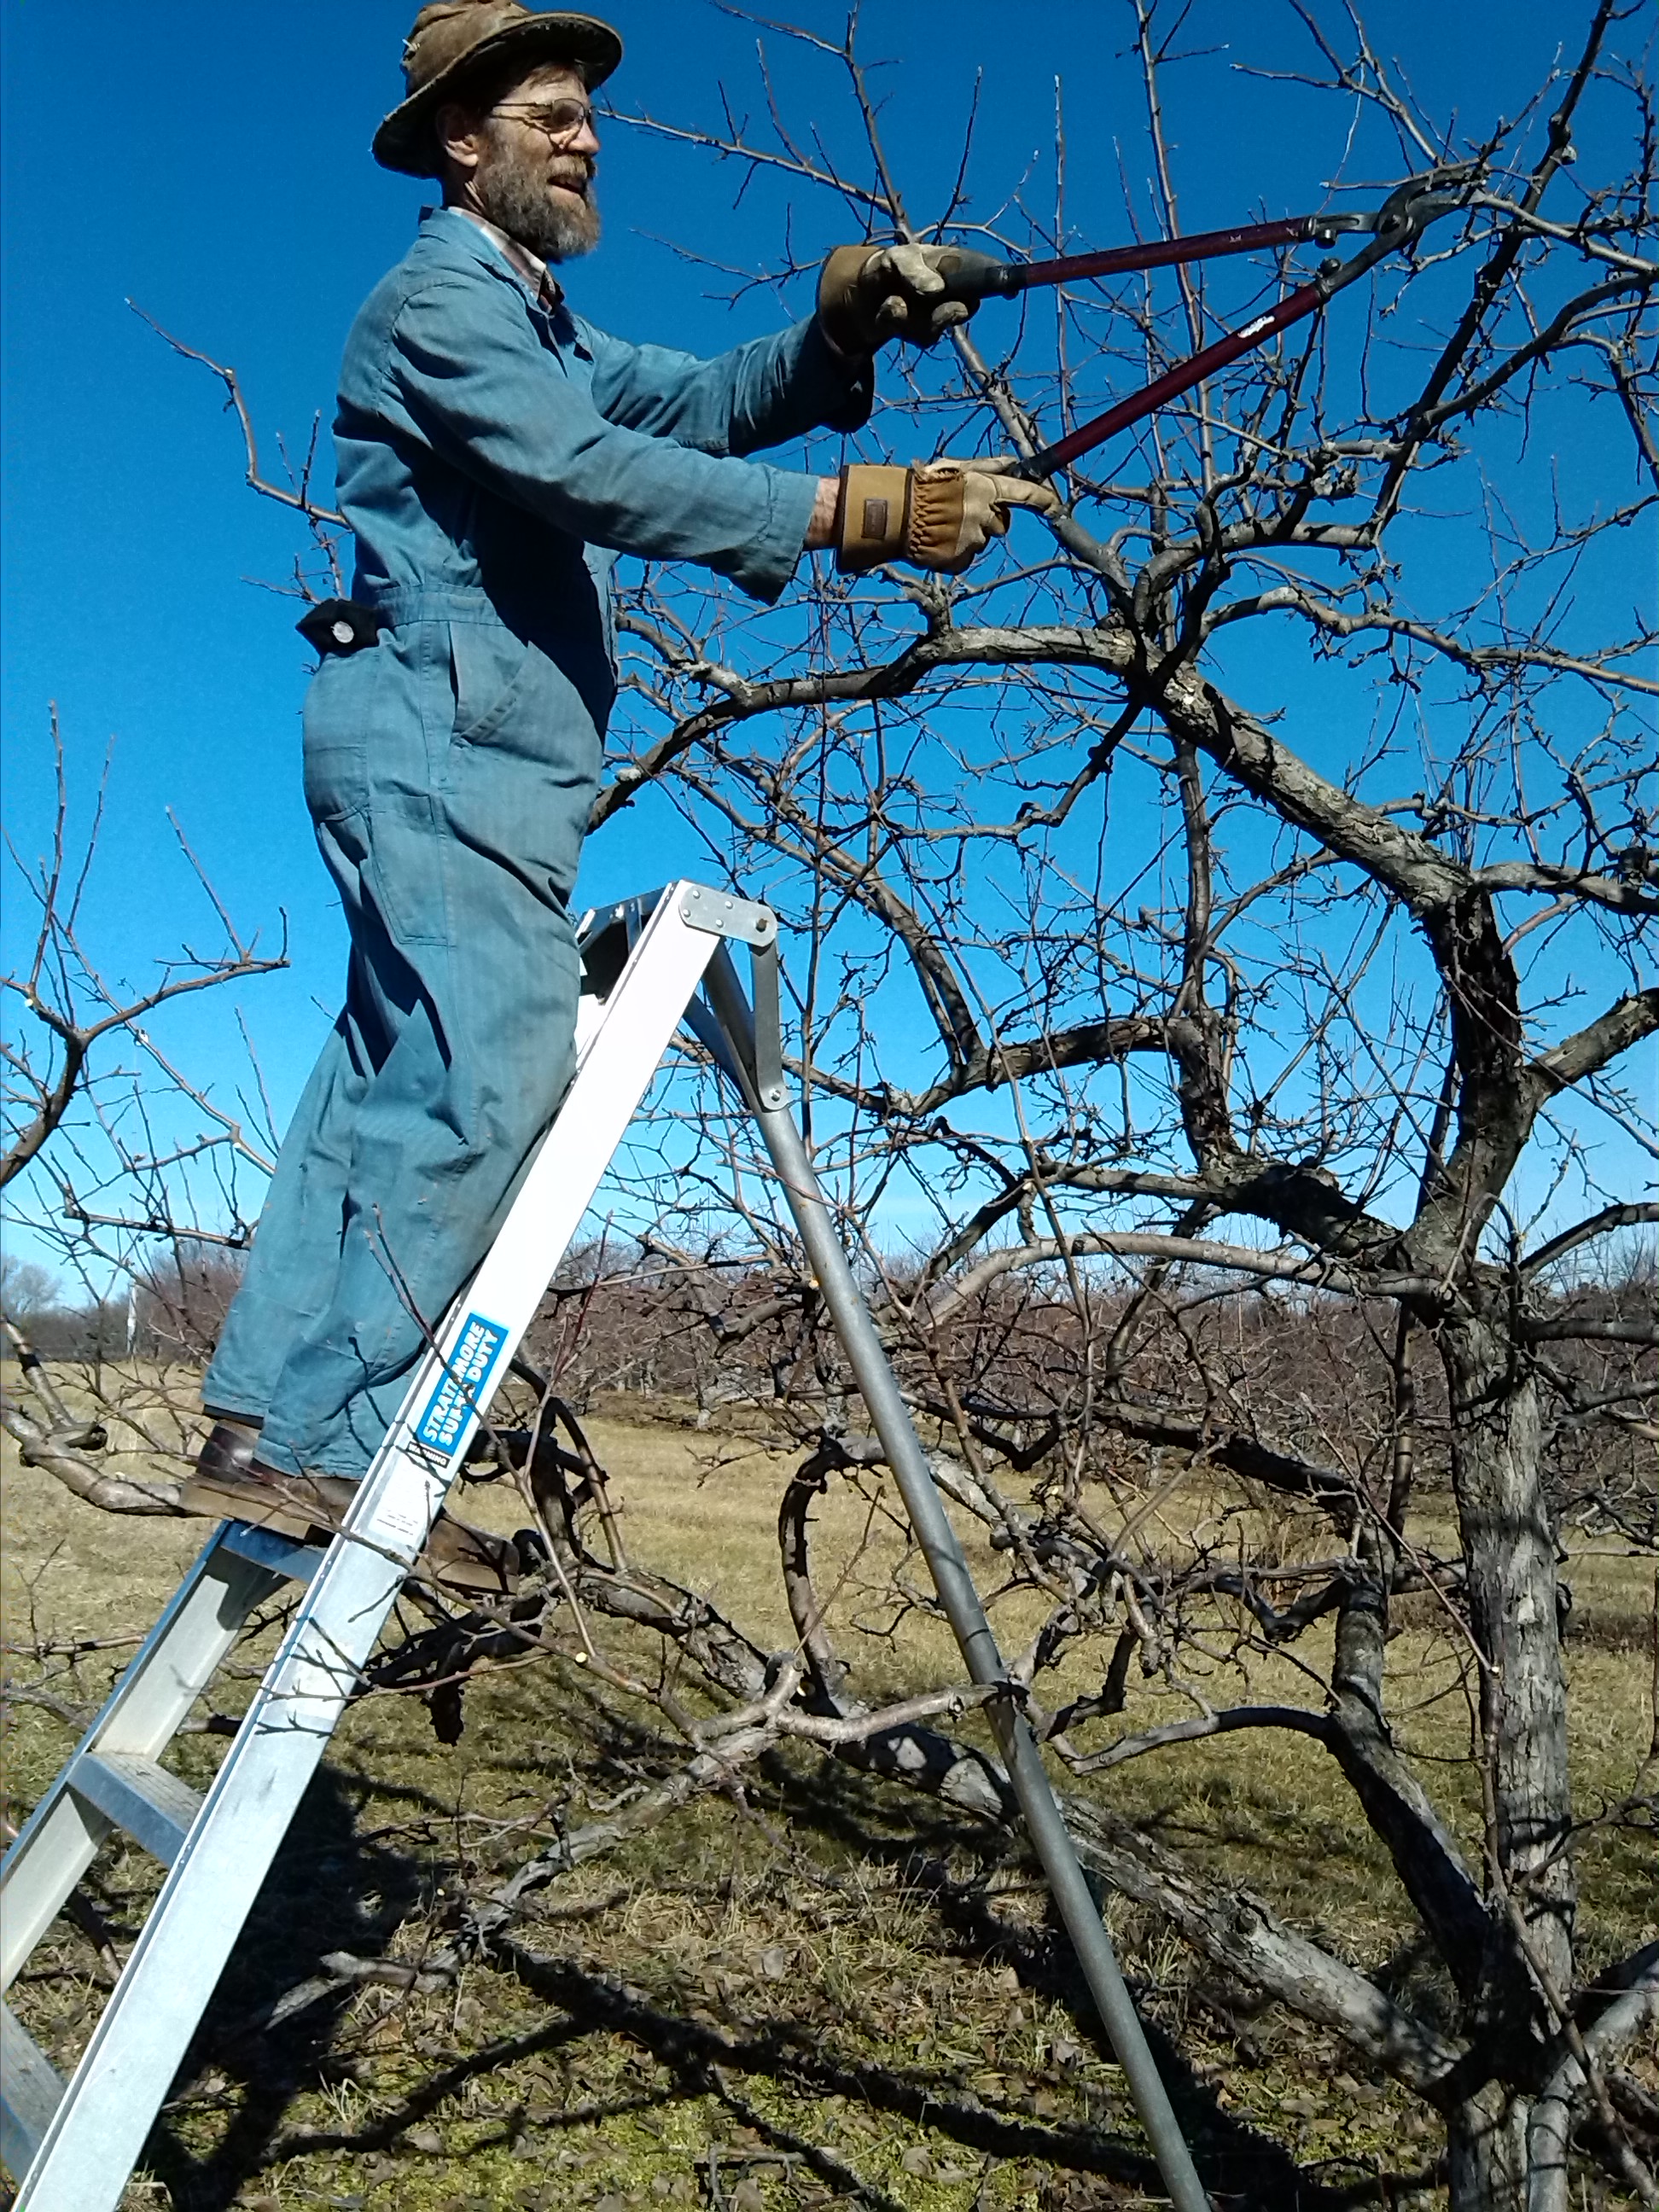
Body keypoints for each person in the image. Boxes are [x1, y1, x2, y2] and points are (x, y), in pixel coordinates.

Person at [183, 1, 1058, 1585]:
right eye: (548, 115)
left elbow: (695, 405)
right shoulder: (444, 301)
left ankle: (255, 1422)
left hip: (454, 743)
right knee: (493, 1075)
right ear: (464, 144)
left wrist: (842, 331)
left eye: (589, 114)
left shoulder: (540, 322)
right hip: (444, 740)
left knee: (387, 1081)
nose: (586, 138)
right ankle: (325, 1451)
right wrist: (855, 510)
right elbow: (596, 475)